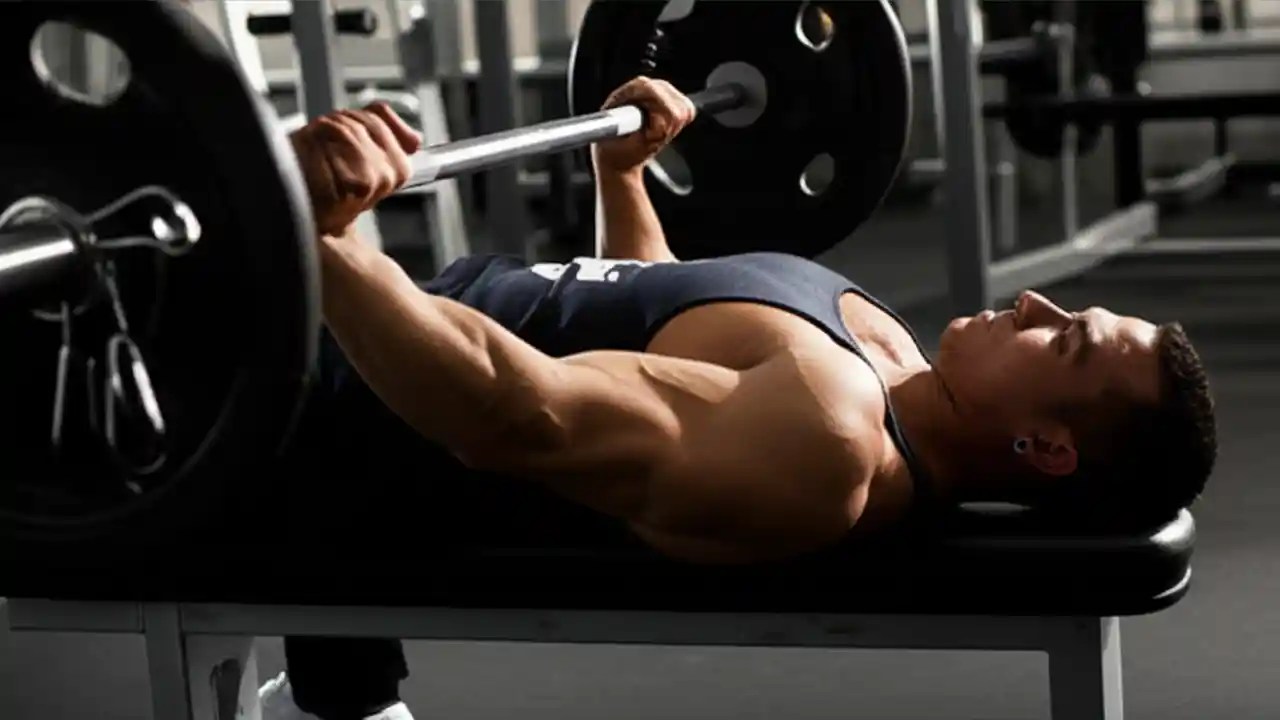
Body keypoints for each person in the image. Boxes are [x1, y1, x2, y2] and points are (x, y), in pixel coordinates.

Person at [268, 77, 1217, 720]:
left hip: (301, 389)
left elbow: (520, 413)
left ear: (1048, 447)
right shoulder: (889, 363)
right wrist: (624, 173)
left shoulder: (828, 446)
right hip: (343, 321)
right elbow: (656, 319)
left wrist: (331, 242)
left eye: (1067, 336)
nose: (1036, 301)